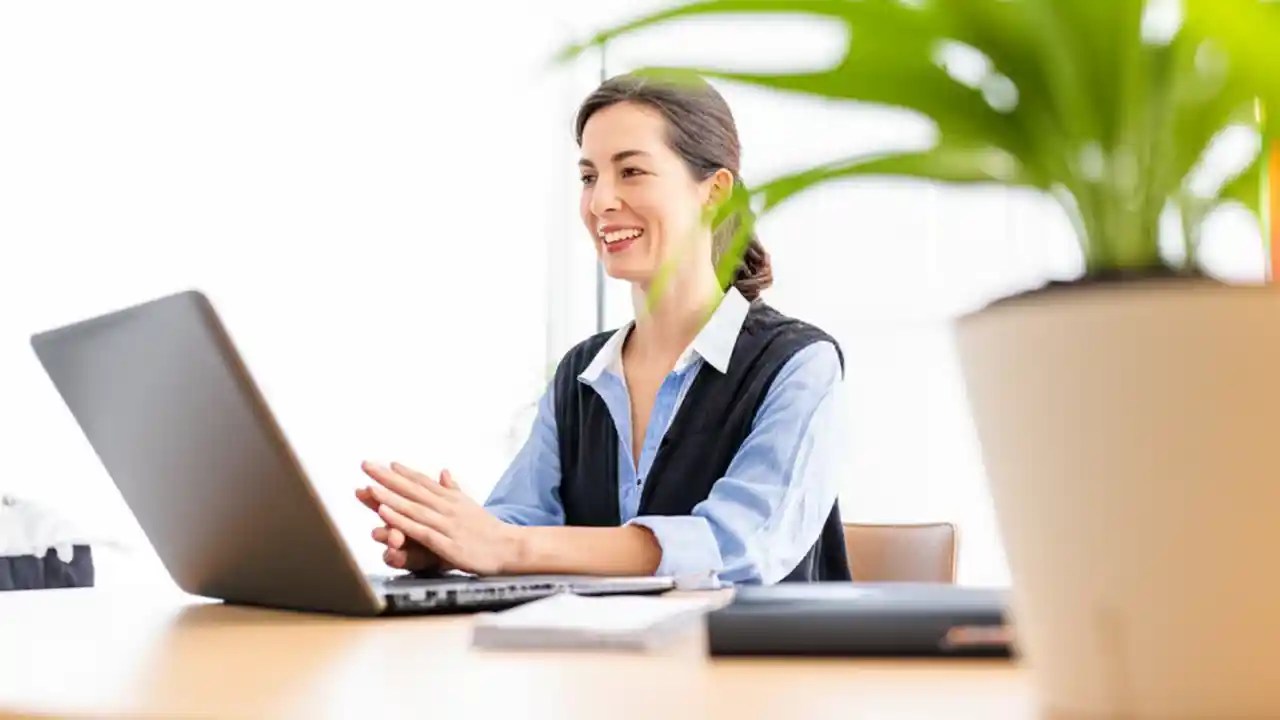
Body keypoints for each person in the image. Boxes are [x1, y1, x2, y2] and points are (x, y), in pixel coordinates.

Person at [355, 73, 851, 585]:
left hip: (751, 663)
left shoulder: (799, 363)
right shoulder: (582, 373)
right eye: (590, 177)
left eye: (631, 171)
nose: (600, 203)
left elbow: (738, 546)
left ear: (715, 191)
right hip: (603, 664)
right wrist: (449, 542)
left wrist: (504, 545)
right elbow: (519, 522)